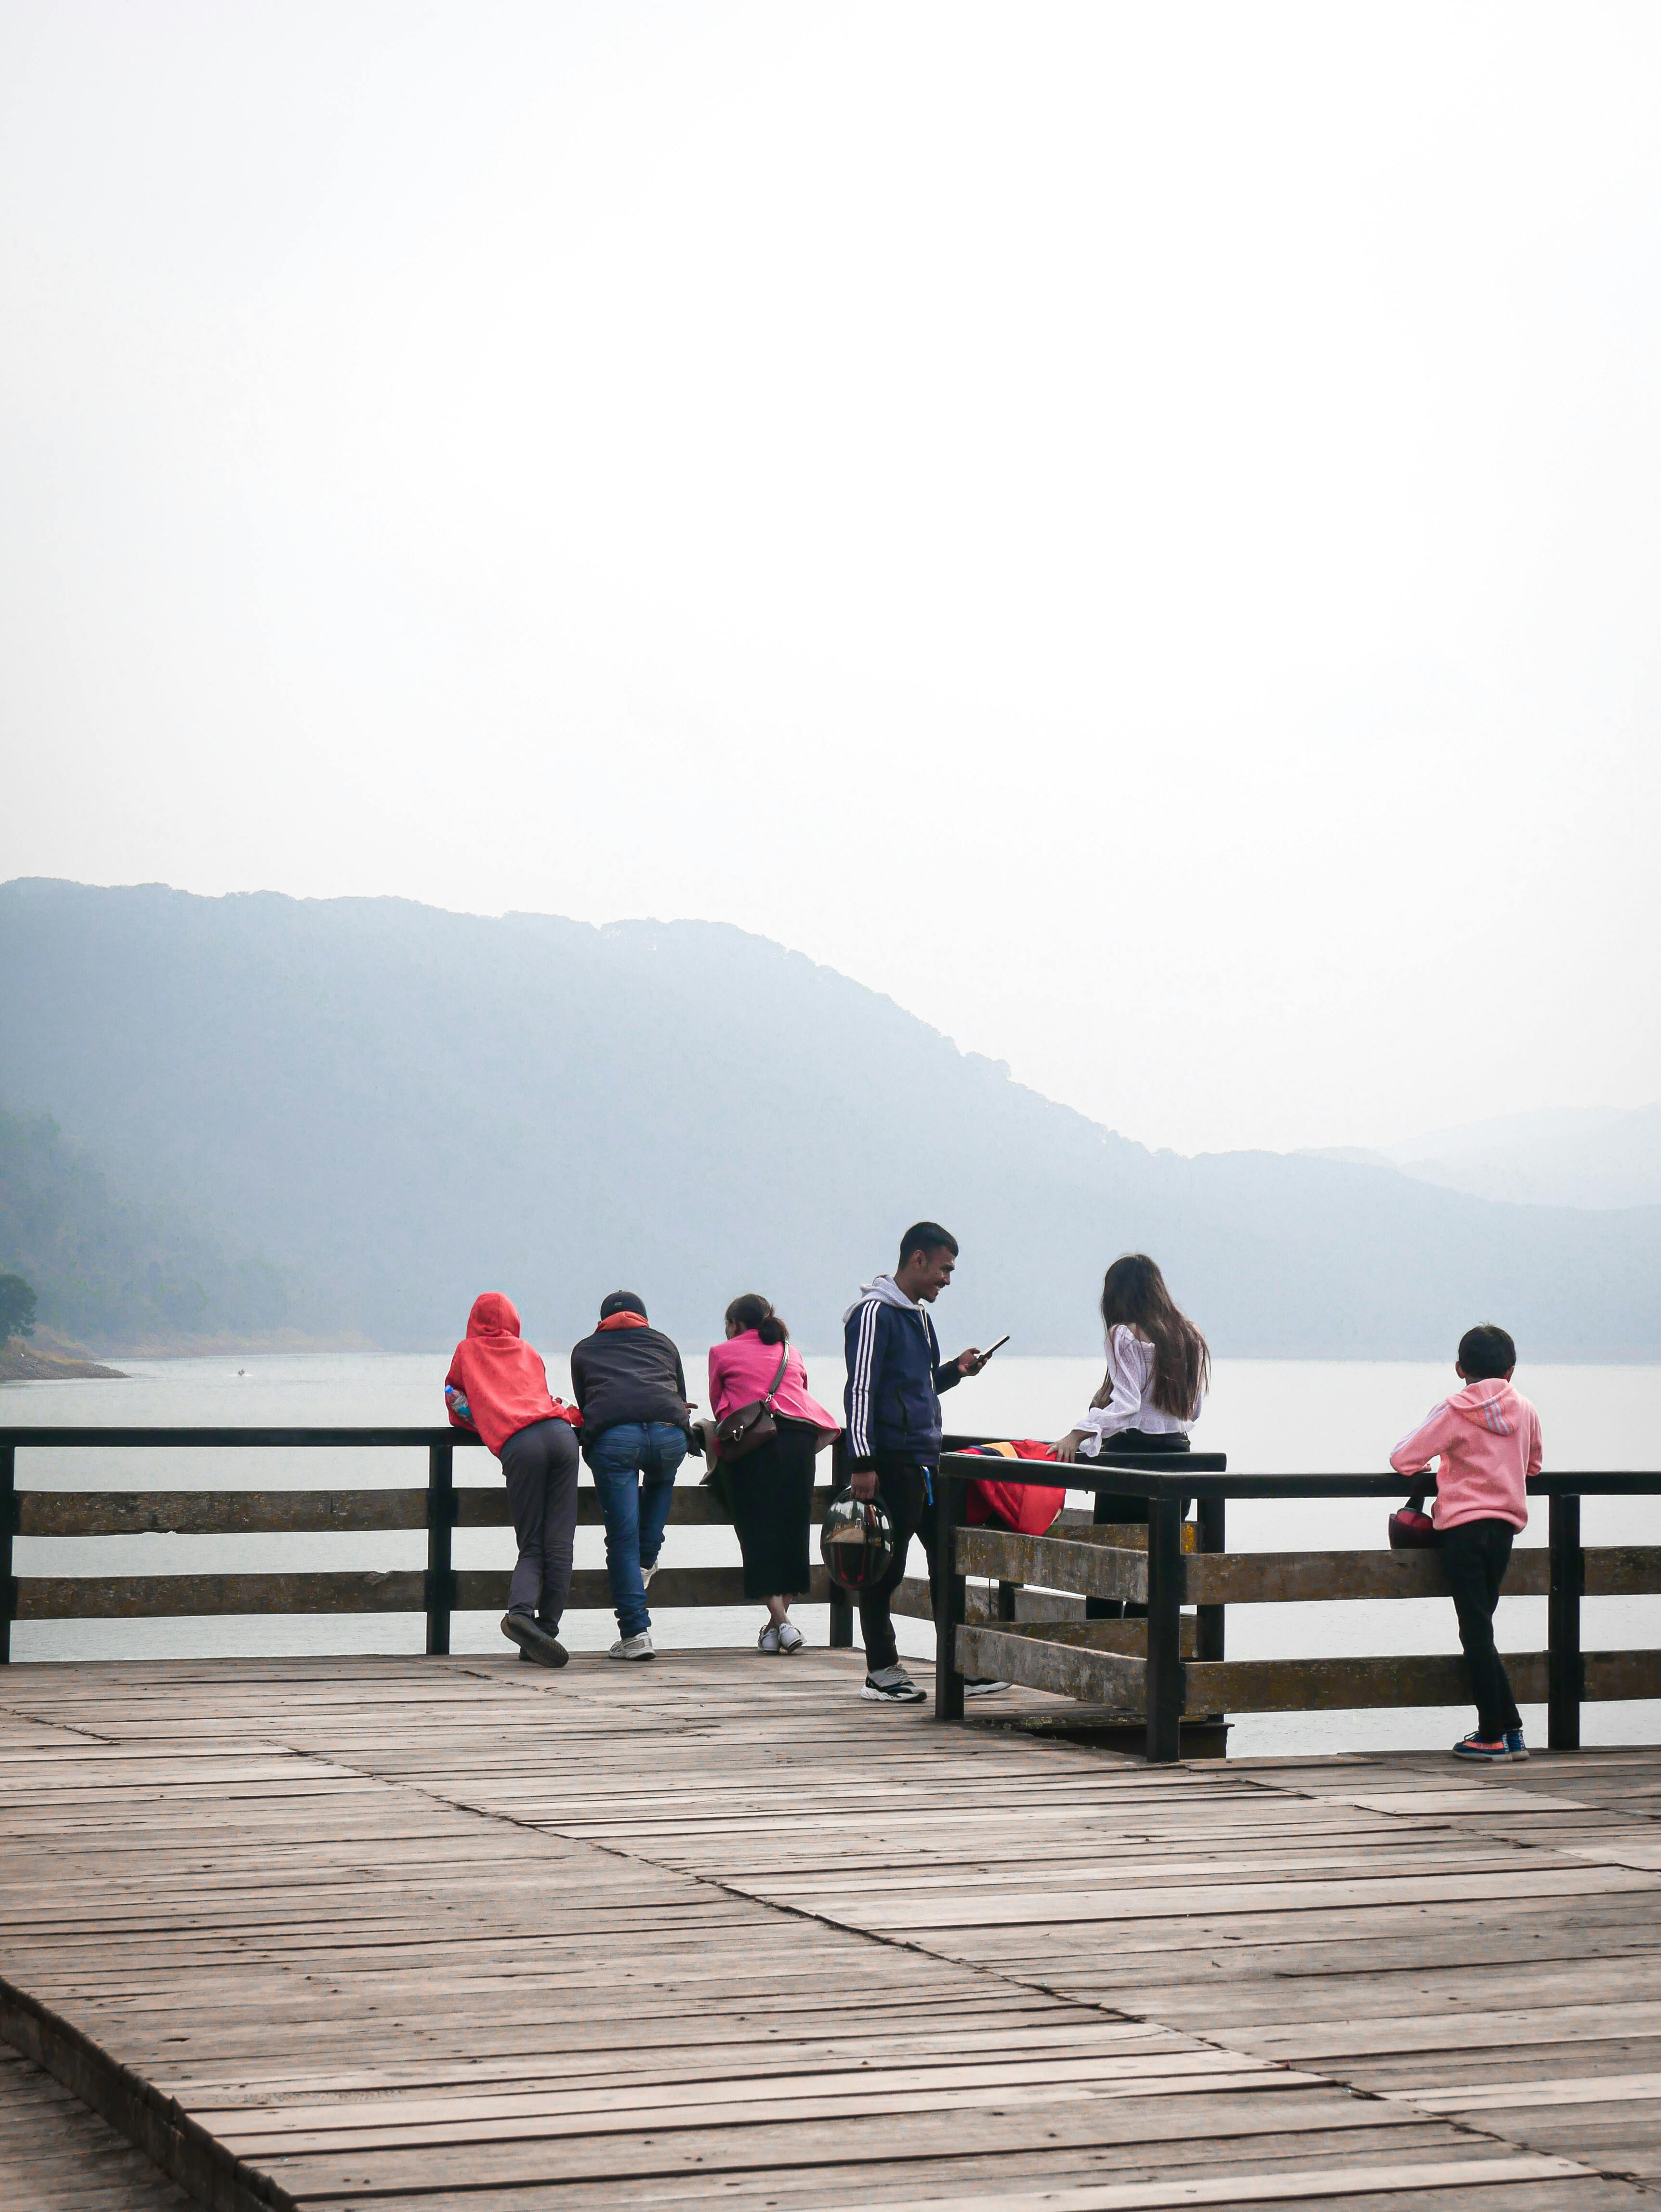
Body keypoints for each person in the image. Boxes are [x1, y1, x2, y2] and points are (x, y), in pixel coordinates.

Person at [843, 1222, 995, 1703]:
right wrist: (862, 1460)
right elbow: (860, 1390)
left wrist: (956, 1370)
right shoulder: (872, 1314)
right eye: (944, 1269)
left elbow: (922, 1382)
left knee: (947, 1563)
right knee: (882, 1566)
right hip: (889, 1461)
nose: (947, 1279)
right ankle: (881, 1670)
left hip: (929, 1463)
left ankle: (961, 1665)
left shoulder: (920, 1318)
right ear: (917, 1260)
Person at [1389, 1324, 1542, 1763]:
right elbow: (1533, 1466)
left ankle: (1491, 1735)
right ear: (1511, 1370)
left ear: (1460, 1368)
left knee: (1475, 1630)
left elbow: (1403, 1459)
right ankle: (1510, 1730)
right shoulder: (1527, 1409)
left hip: (1462, 1531)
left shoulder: (1454, 1410)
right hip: (1504, 1530)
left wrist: (1444, 1462)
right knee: (1480, 1626)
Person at [1054, 1254, 1210, 1620]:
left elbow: (1126, 1403)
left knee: (1107, 1571)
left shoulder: (1124, 1334)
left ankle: (1104, 1660)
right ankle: (1148, 1669)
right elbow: (1194, 1410)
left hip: (1129, 1461)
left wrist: (1077, 1435)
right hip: (1178, 1463)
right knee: (1156, 1573)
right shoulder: (1190, 1336)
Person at [445, 1292, 580, 1669]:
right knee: (560, 1543)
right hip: (561, 1434)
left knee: (533, 1544)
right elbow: (536, 1394)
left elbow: (454, 1399)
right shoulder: (528, 1351)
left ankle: (520, 1615)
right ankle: (546, 1632)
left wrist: (486, 1418)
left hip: (521, 1445)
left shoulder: (467, 1351)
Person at [708, 1294, 841, 1653]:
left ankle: (782, 1623)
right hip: (799, 1440)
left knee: (755, 1531)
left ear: (734, 1325)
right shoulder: (790, 1352)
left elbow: (722, 1410)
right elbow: (800, 1394)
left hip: (755, 1445)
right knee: (792, 1529)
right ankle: (776, 1630)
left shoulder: (721, 1352)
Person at [569, 1290, 693, 1661]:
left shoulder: (584, 1350)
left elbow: (589, 1404)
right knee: (661, 1478)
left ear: (602, 1319)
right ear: (644, 1317)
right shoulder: (664, 1344)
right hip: (669, 1433)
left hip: (616, 1440)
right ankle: (646, 1562)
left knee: (622, 1539)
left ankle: (636, 1634)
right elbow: (679, 1394)